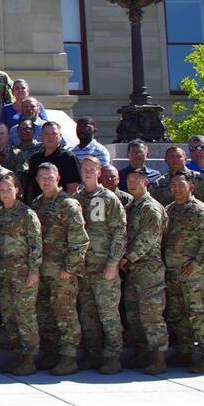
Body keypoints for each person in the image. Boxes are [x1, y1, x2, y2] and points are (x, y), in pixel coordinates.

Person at [31, 162, 88, 376]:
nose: (46, 181)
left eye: (49, 177)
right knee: (46, 314)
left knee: (65, 314)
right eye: (42, 177)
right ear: (37, 181)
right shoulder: (37, 204)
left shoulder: (68, 204)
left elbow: (80, 240)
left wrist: (70, 267)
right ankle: (52, 353)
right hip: (43, 269)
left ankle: (69, 356)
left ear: (58, 178)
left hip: (62, 271)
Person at [162, 173, 204, 373]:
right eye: (173, 185)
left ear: (191, 187)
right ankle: (184, 352)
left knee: (199, 315)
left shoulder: (200, 211)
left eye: (181, 185)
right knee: (178, 316)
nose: (176, 188)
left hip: (195, 275)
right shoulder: (169, 210)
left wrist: (196, 264)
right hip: (173, 274)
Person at [74, 157, 126, 374]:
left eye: (91, 169)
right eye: (84, 169)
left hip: (105, 266)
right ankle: (93, 354)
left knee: (108, 314)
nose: (87, 173)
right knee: (88, 314)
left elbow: (120, 232)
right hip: (84, 268)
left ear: (98, 172)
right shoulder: (77, 198)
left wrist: (113, 263)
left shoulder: (108, 198)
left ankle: (113, 356)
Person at [0, 174, 41, 376]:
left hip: (23, 274)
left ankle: (29, 359)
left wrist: (33, 271)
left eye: (8, 189)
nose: (5, 193)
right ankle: (18, 356)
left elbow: (36, 245)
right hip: (4, 275)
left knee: (25, 317)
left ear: (17, 191)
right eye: (1, 190)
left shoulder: (27, 214)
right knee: (9, 317)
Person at [120, 168, 169, 374]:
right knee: (133, 313)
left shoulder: (150, 207)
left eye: (136, 180)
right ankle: (142, 353)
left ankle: (159, 358)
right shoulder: (132, 206)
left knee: (151, 314)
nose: (132, 184)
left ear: (146, 182)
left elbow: (147, 238)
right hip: (132, 269)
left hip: (148, 268)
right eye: (129, 180)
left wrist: (127, 257)